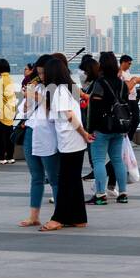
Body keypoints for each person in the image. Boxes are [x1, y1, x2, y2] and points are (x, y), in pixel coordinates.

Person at [41, 55, 90, 231]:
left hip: (70, 140)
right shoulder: (70, 88)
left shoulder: (60, 91)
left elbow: (69, 115)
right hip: (73, 140)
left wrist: (83, 133)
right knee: (73, 180)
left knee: (66, 180)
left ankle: (58, 218)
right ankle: (78, 218)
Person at [19, 57, 59, 228]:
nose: (41, 76)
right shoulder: (35, 86)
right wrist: (28, 98)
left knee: (54, 177)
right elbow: (24, 111)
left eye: (43, 72)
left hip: (47, 136)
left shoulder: (57, 89)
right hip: (30, 132)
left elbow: (54, 110)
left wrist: (35, 95)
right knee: (36, 177)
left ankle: (59, 215)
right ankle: (33, 216)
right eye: (39, 72)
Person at [86, 51, 131, 205]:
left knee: (98, 160)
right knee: (117, 160)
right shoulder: (122, 83)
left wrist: (90, 129)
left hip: (102, 128)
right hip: (119, 127)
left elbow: (94, 109)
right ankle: (123, 193)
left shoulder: (100, 83)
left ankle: (100, 194)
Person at [118, 55, 140, 146]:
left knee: (136, 119)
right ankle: (126, 139)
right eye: (129, 63)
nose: (130, 65)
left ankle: (129, 138)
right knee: (129, 119)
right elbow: (126, 88)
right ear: (123, 62)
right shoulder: (120, 73)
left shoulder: (127, 71)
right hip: (127, 100)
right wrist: (134, 80)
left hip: (133, 99)